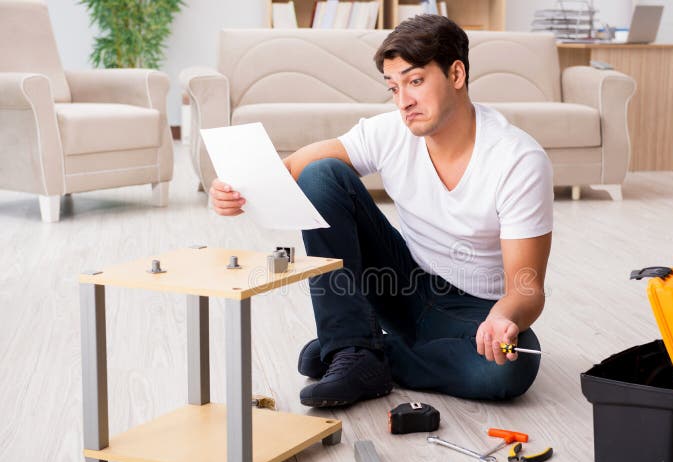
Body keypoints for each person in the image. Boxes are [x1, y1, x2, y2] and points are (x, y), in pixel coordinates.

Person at [210, 15, 553, 408]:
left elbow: (527, 288)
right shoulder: (390, 131)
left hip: (472, 312)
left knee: (513, 366)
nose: (404, 101)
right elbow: (293, 169)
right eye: (394, 88)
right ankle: (353, 350)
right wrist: (237, 192)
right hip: (401, 285)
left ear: (456, 74)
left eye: (416, 81)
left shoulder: (518, 160)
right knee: (322, 174)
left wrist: (503, 319)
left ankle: (357, 350)